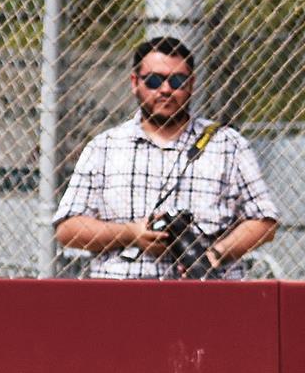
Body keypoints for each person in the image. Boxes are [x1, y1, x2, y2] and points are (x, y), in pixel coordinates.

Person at [53, 36, 279, 280]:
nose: (165, 90)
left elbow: (264, 222)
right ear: (134, 83)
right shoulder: (104, 147)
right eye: (153, 80)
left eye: (178, 81)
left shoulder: (227, 143)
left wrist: (214, 254)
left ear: (191, 84)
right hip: (121, 294)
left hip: (207, 293)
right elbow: (68, 228)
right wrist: (130, 233)